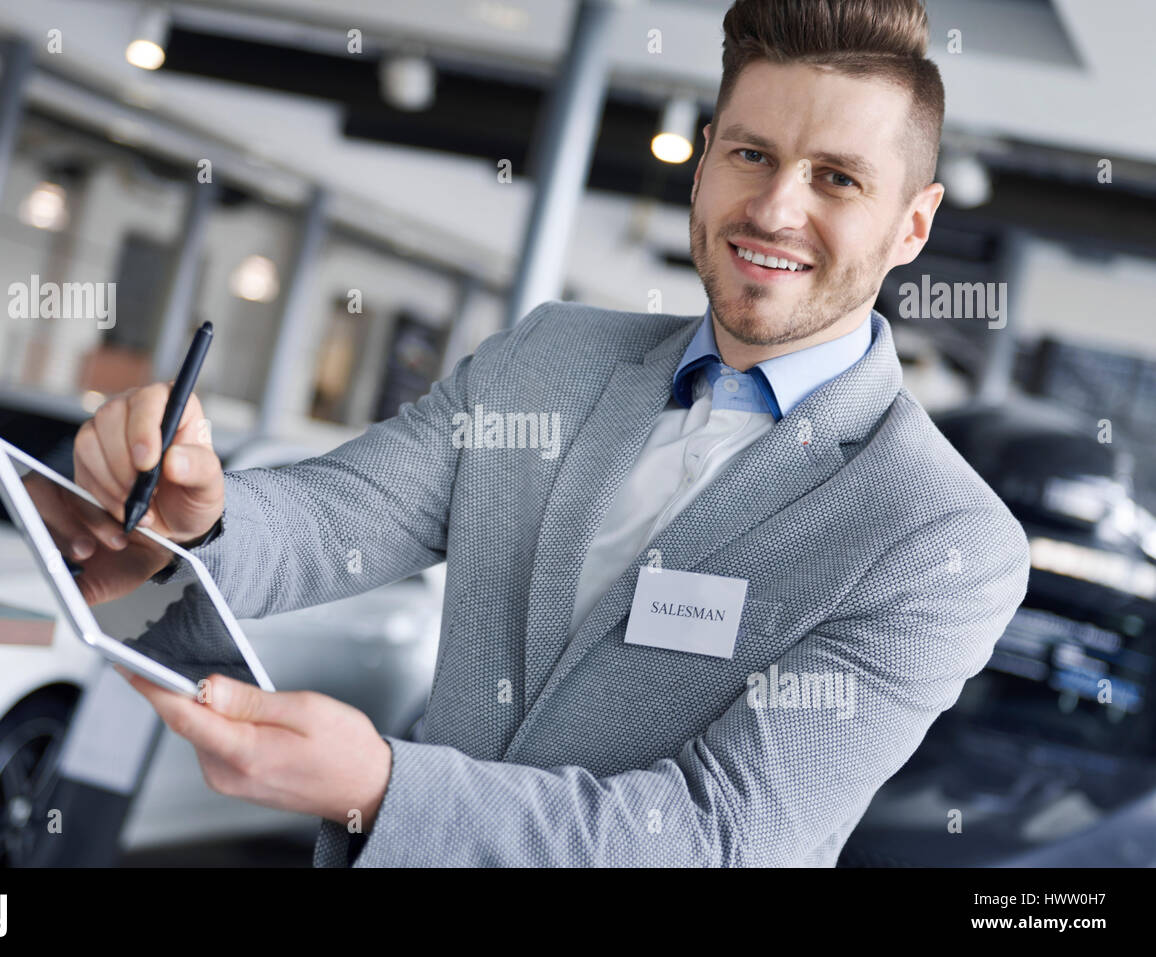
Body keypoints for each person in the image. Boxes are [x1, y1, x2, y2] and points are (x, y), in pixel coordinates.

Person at [71, 0, 1031, 866]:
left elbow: (718, 836)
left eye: (837, 178)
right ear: (704, 160)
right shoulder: (553, 355)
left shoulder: (940, 540)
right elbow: (350, 509)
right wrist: (202, 513)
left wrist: (383, 791)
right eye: (752, 154)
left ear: (913, 224)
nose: (778, 208)